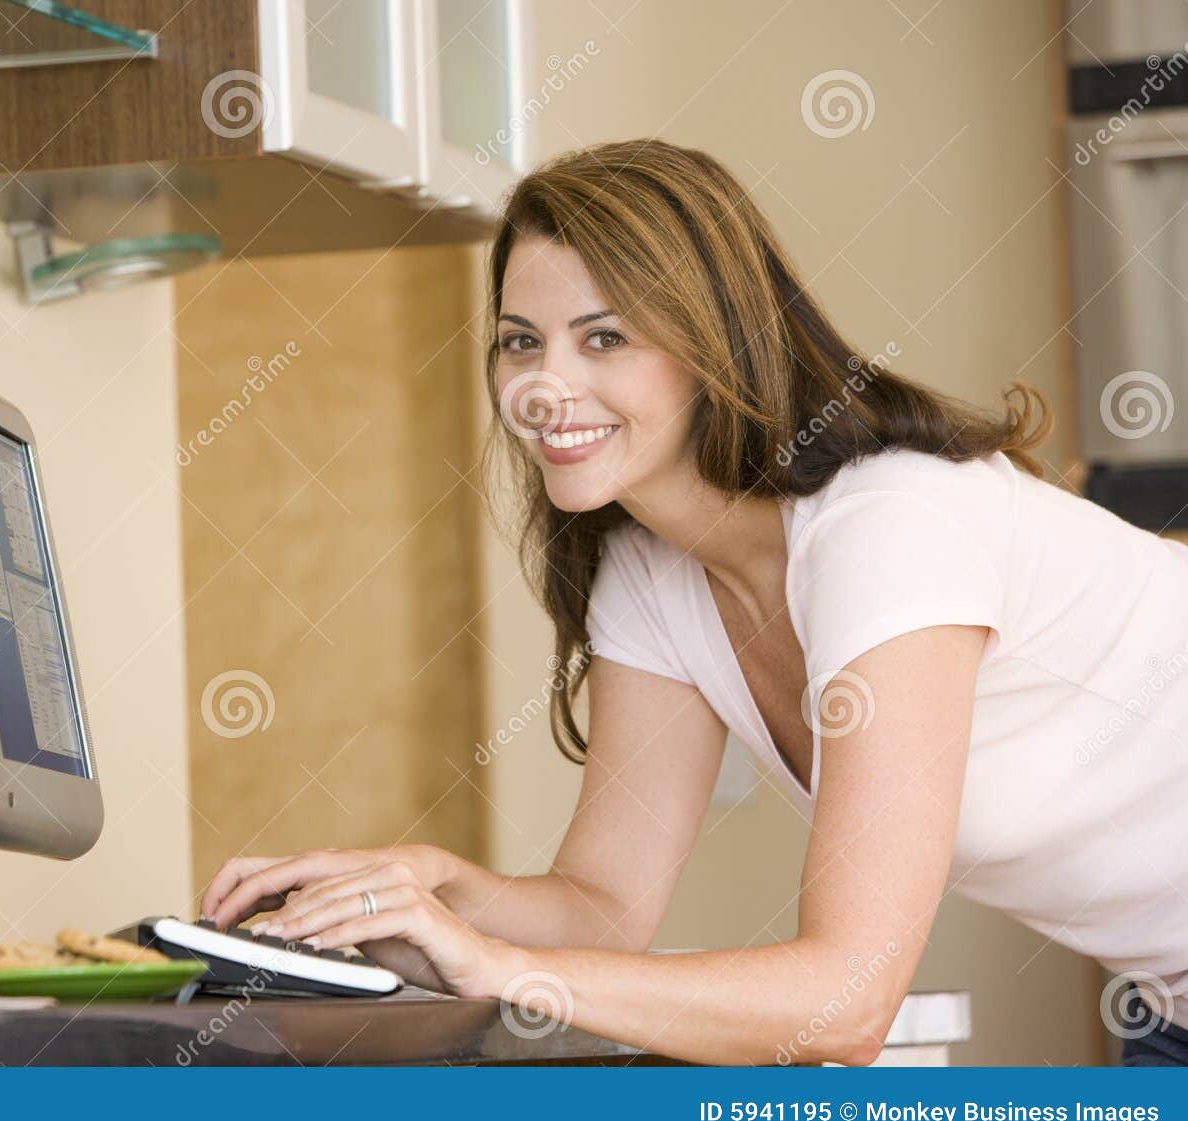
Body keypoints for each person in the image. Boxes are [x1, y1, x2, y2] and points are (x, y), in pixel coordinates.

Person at [201, 139, 1188, 1066]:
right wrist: (433, 896)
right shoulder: (653, 568)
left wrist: (500, 966)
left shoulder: (891, 525)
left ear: (715, 345)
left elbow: (846, 998)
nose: (543, 387)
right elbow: (603, 906)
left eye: (604, 338)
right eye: (519, 340)